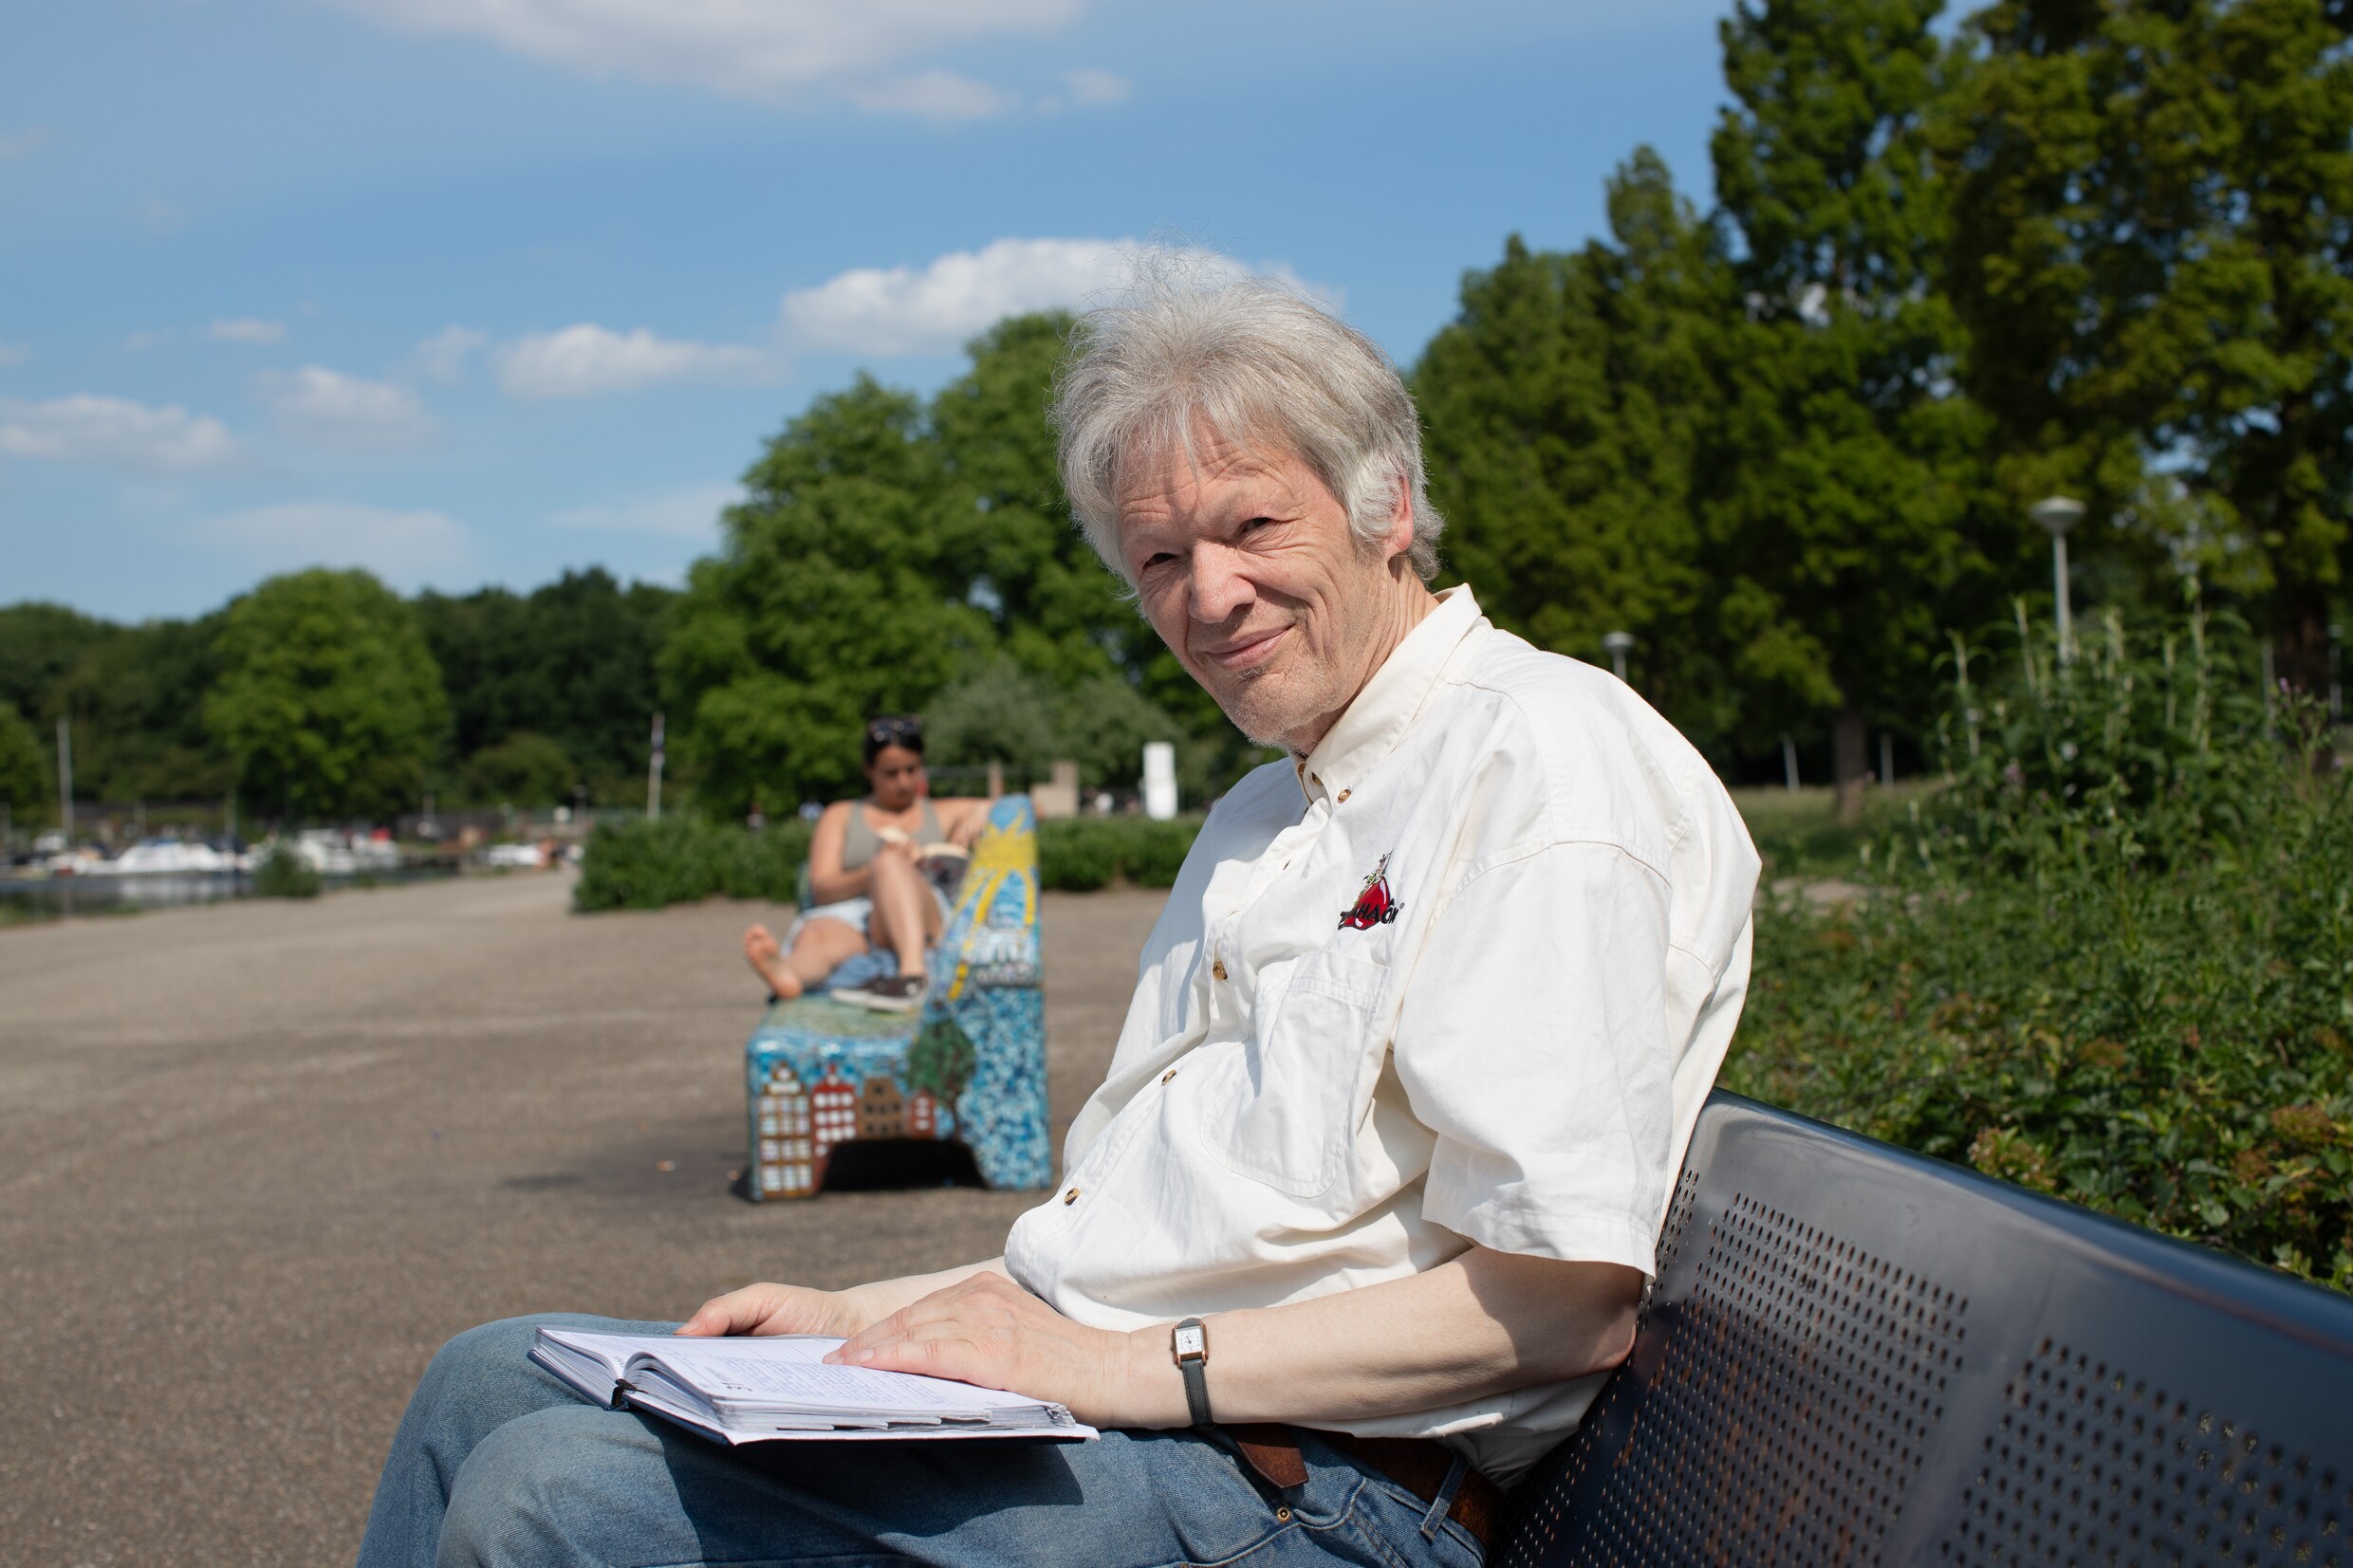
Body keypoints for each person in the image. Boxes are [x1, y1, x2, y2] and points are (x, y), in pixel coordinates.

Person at [356, 264, 1761, 1568]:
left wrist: (1106, 1370)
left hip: (1324, 1498)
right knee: (485, 1374)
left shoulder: (1543, 762)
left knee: (548, 1496)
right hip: (1146, 1420)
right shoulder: (1261, 820)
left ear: (1388, 506)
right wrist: (866, 1312)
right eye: (1158, 560)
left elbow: (1563, 1300)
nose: (1209, 596)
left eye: (1255, 525)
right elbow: (1145, 1239)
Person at [739, 715, 989, 1013]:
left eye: (912, 770)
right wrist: (873, 874)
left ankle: (912, 977)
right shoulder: (840, 815)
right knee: (817, 934)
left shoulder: (944, 811)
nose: (904, 782)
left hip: (922, 917)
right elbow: (822, 888)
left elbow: (1025, 808)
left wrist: (985, 810)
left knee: (891, 862)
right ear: (869, 770)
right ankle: (790, 973)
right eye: (891, 773)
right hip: (854, 917)